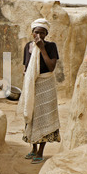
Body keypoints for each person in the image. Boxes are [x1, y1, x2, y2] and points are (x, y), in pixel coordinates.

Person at [17, 18, 60, 164]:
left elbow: (51, 67)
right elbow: (26, 67)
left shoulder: (51, 46)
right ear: (32, 33)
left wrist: (42, 49)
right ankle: (33, 149)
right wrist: (27, 74)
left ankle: (40, 152)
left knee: (44, 117)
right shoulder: (27, 47)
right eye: (37, 33)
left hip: (46, 84)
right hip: (32, 85)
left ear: (46, 34)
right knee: (32, 115)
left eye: (42, 33)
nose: (39, 36)